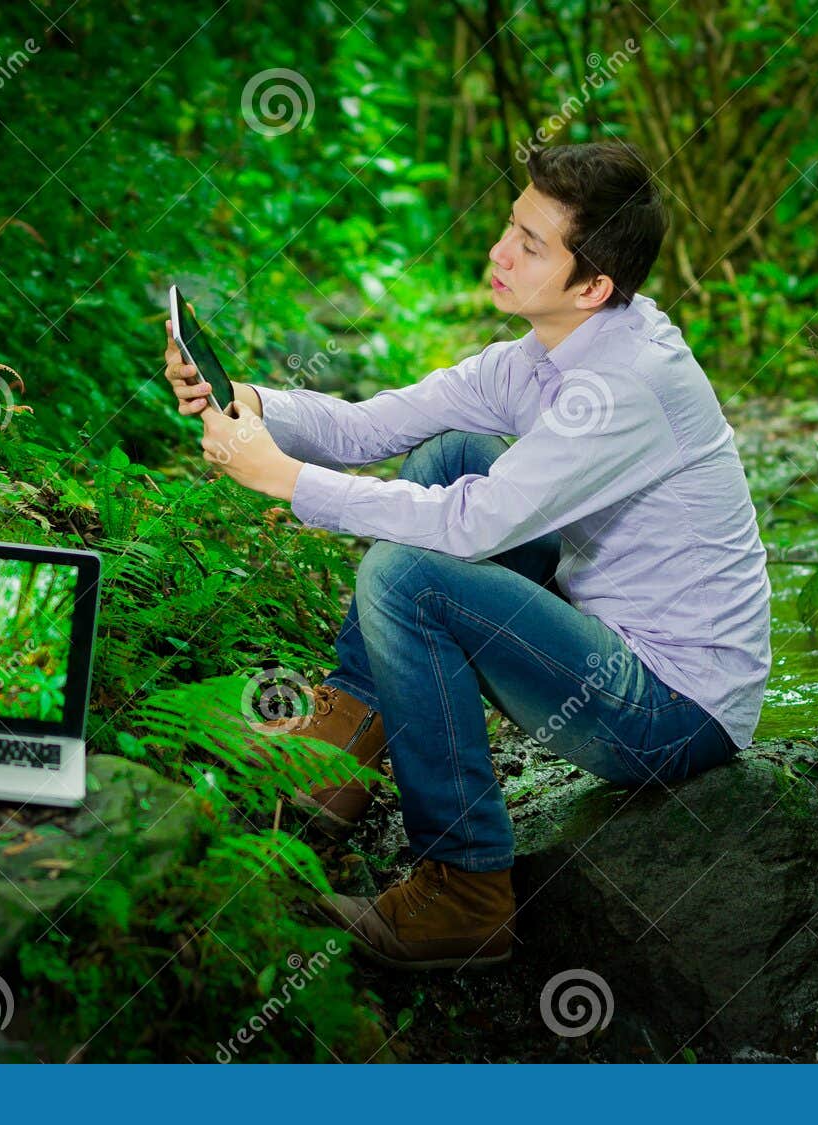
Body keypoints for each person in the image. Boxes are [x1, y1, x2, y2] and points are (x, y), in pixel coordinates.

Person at [164, 140, 771, 971]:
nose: (499, 251)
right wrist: (250, 401)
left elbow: (472, 528)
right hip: (611, 640)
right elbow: (370, 426)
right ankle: (343, 745)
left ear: (592, 287)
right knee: (450, 454)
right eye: (510, 226)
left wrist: (286, 480)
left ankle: (464, 890)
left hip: (673, 711)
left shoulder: (620, 386)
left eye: (530, 245)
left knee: (406, 577)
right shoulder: (548, 352)